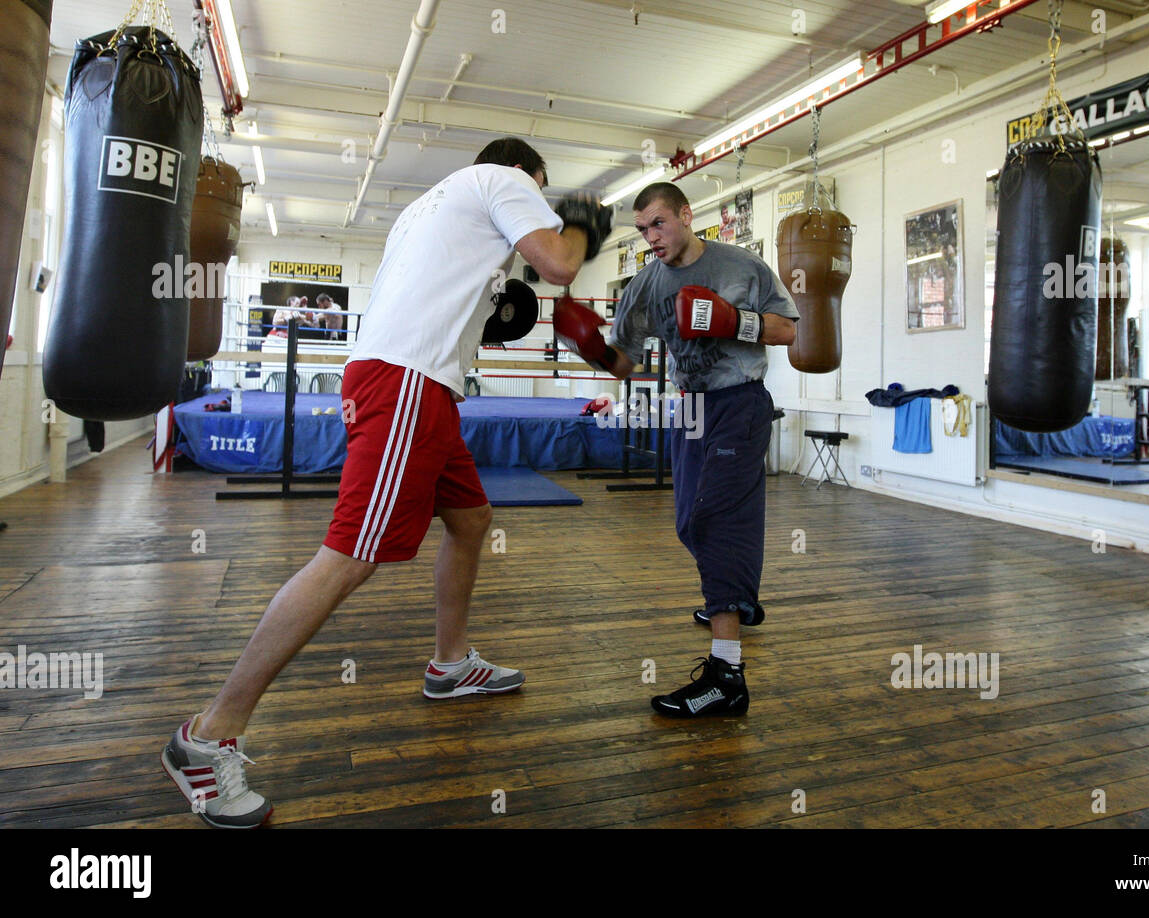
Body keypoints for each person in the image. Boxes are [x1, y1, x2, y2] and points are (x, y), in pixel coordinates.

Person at [162, 136, 613, 828]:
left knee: (471, 520)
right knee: (349, 555)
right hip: (408, 384)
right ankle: (209, 734)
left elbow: (458, 304)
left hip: (414, 384)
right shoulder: (504, 179)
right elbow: (558, 264)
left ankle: (450, 663)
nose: (540, 208)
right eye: (541, 194)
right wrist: (581, 222)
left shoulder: (429, 209)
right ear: (527, 176)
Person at [553, 182, 797, 718]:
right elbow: (626, 364)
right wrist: (591, 347)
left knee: (716, 521)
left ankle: (726, 673)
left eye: (658, 224)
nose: (651, 238)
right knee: (688, 522)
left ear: (686, 215)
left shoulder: (740, 267)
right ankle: (736, 596)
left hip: (738, 402)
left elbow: (789, 331)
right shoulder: (645, 285)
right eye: (641, 230)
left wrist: (733, 321)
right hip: (687, 407)